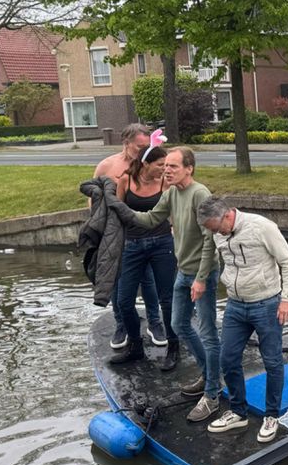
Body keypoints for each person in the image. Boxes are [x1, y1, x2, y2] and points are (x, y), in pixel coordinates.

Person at [104, 147, 223, 424]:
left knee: (208, 333)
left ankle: (213, 394)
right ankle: (208, 374)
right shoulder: (171, 193)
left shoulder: (200, 194)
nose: (166, 170)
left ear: (189, 169)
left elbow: (210, 240)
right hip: (183, 271)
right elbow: (151, 219)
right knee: (179, 324)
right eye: (165, 166)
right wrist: (120, 206)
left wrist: (202, 279)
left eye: (173, 166)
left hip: (201, 274)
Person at [197, 197, 288, 444]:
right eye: (210, 229)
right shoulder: (217, 232)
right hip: (235, 305)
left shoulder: (262, 227)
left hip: (267, 303)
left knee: (272, 361)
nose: (214, 233)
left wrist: (287, 299)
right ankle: (238, 411)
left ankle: (271, 415)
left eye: (215, 227)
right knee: (227, 358)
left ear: (228, 216)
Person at [107, 143, 180, 370]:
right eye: (160, 165)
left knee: (167, 299)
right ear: (146, 163)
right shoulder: (126, 181)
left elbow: (174, 211)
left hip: (161, 244)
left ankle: (173, 347)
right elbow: (117, 212)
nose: (164, 169)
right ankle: (135, 346)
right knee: (124, 300)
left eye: (167, 165)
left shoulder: (165, 183)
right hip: (132, 244)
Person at [93, 124, 164, 350]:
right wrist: (98, 227)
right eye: (140, 146)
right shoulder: (108, 165)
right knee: (116, 279)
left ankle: (155, 322)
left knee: (149, 278)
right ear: (126, 142)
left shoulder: (150, 164)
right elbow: (96, 198)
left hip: (150, 232)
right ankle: (121, 324)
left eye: (148, 145)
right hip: (118, 233)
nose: (145, 149)